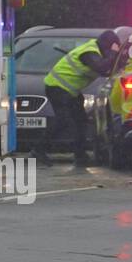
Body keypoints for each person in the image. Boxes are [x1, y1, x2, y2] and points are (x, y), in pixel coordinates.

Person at [44, 30, 122, 168]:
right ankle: (38, 150)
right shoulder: (89, 53)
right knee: (63, 120)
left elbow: (107, 70)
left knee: (81, 121)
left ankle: (80, 155)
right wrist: (113, 53)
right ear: (107, 46)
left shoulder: (96, 50)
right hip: (57, 87)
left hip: (70, 91)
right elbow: (102, 67)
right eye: (110, 49)